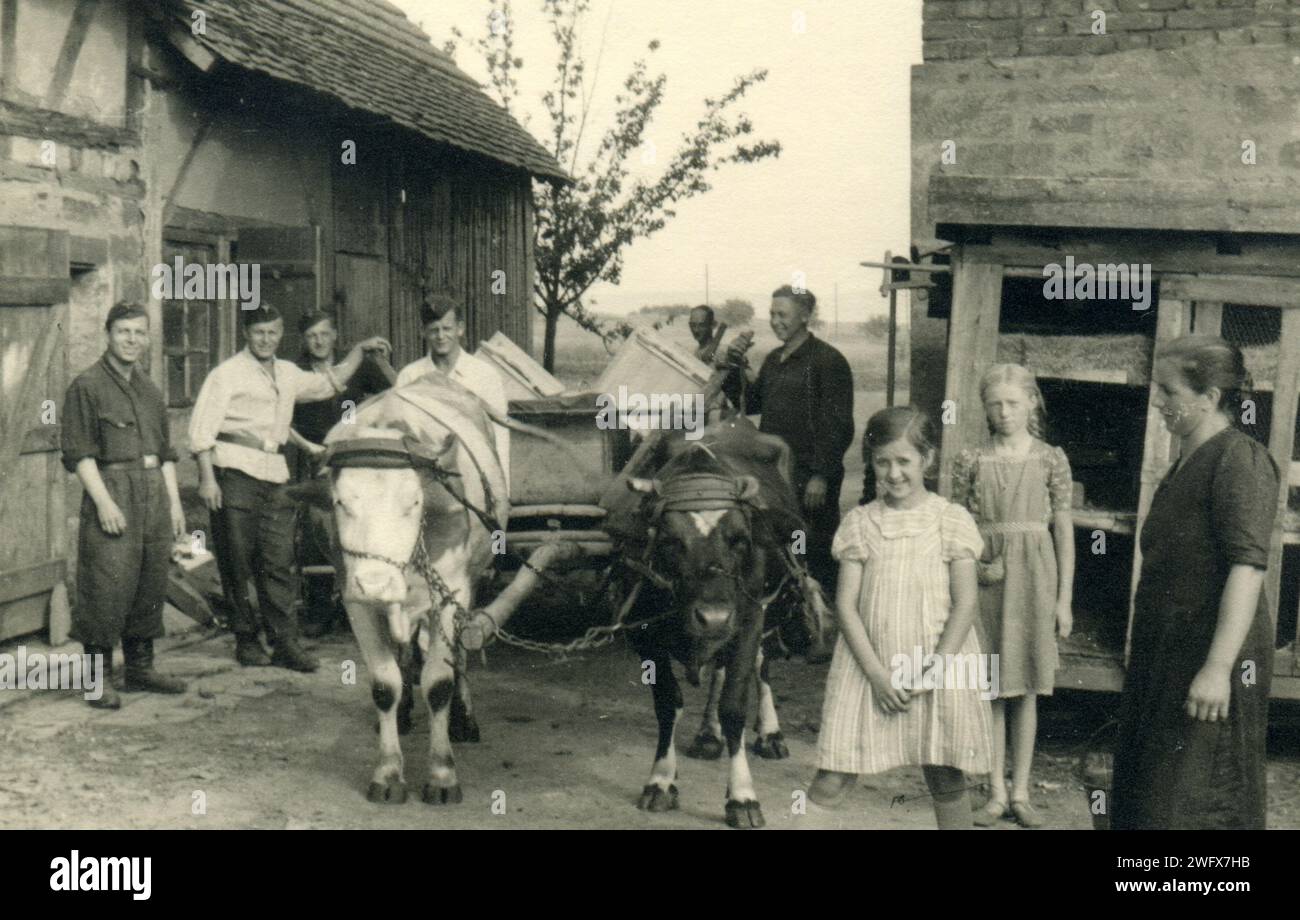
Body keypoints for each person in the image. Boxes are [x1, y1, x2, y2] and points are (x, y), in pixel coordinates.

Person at [1112, 335, 1278, 830]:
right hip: (1168, 651)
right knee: (1153, 793)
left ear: (1209, 398)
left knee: (1197, 798)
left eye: (1169, 391)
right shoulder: (1185, 460)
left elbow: (1247, 568)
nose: (1158, 402)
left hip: (1212, 655)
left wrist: (1217, 668)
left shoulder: (1239, 460)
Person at [807, 406, 991, 829]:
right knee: (833, 776)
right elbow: (846, 606)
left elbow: (966, 604)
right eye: (882, 462)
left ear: (927, 460)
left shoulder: (951, 520)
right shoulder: (859, 523)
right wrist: (875, 674)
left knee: (944, 773)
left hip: (935, 668)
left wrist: (936, 668)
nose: (893, 473)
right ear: (871, 463)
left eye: (904, 461)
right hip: (869, 669)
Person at [189, 305, 390, 671]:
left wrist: (359, 351)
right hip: (233, 471)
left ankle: (285, 643)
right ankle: (246, 639)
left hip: (274, 474)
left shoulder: (287, 373)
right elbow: (201, 431)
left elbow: (331, 382)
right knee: (237, 561)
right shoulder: (226, 374)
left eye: (272, 333)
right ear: (246, 335)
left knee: (278, 562)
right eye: (258, 333)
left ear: (281, 335)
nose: (265, 340)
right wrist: (207, 479)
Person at [951, 364, 1074, 828]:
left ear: (1032, 405)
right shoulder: (970, 460)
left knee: (1026, 689)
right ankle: (995, 792)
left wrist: (1063, 599)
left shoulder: (1050, 459)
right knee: (991, 689)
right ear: (985, 409)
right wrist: (977, 568)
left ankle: (1022, 791)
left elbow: (1062, 531)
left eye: (1013, 403)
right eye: (995, 405)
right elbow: (958, 530)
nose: (1004, 413)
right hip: (988, 580)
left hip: (1035, 578)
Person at [60, 303, 190, 709]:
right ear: (108, 334)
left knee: (149, 579)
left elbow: (164, 453)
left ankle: (139, 669)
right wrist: (103, 503)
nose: (132, 340)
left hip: (153, 490)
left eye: (139, 332)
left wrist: (173, 505)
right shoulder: (87, 386)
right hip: (112, 486)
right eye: (123, 332)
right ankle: (96, 681)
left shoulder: (149, 390)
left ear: (147, 338)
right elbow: (80, 454)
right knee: (107, 583)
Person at [724, 285, 854, 593]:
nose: (775, 321)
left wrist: (821, 475)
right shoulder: (773, 360)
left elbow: (838, 425)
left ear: (805, 316)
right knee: (783, 545)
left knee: (812, 545)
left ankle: (822, 616)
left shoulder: (827, 361)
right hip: (778, 474)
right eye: (771, 314)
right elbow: (752, 403)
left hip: (811, 477)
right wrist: (734, 368)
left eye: (782, 314)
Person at [395, 294, 510, 490]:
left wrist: (501, 491)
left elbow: (499, 436)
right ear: (423, 332)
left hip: (473, 482)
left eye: (447, 328)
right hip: (425, 483)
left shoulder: (484, 375)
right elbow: (400, 435)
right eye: (433, 330)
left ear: (460, 329)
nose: (440, 336)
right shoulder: (410, 376)